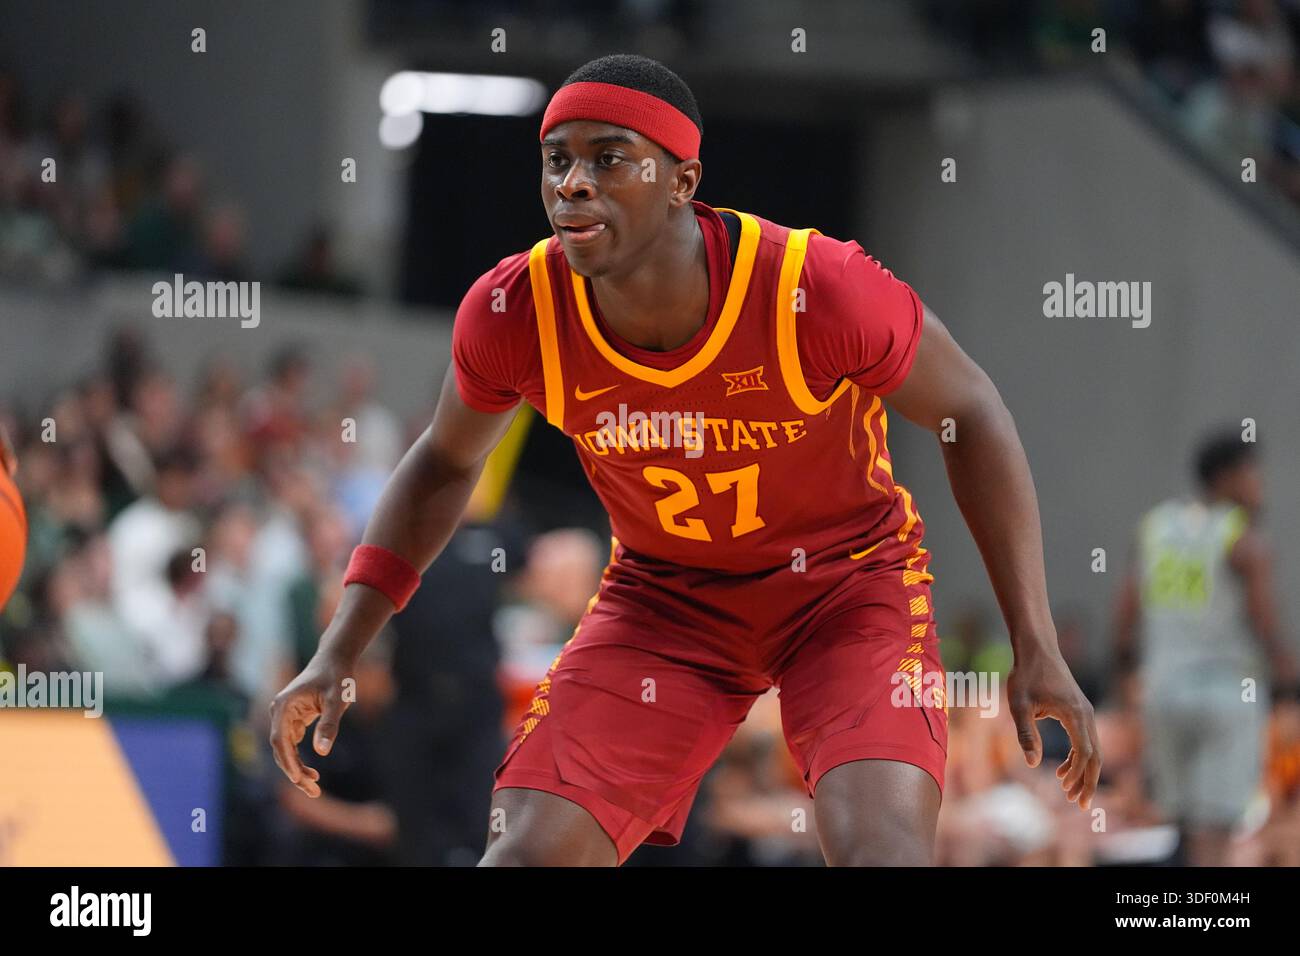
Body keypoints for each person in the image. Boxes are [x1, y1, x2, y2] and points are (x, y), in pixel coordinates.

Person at [270, 53, 1099, 867]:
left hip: (848, 590)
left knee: (880, 848)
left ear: (683, 181)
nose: (573, 183)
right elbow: (444, 464)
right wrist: (342, 645)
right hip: (666, 602)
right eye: (557, 160)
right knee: (527, 854)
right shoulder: (512, 310)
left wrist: (1035, 639)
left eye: (608, 159)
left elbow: (970, 410)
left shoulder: (815, 287)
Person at [1114, 430, 1297, 866]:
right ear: (1227, 477)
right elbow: (1264, 621)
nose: (1259, 484)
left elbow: (1125, 615)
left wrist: (1125, 680)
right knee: (1217, 826)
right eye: (1253, 473)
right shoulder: (1243, 539)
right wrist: (1289, 687)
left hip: (1163, 692)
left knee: (1181, 820)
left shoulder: (1156, 527)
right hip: (1225, 693)